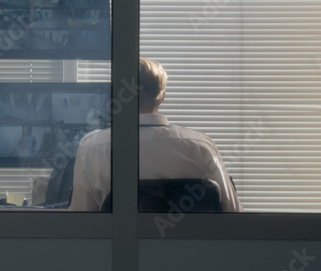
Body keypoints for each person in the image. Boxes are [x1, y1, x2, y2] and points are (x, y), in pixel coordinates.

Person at [69, 57, 242, 212]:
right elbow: (234, 214)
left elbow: (81, 221)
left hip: (120, 239)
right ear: (162, 97)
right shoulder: (201, 146)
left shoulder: (93, 146)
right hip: (193, 240)